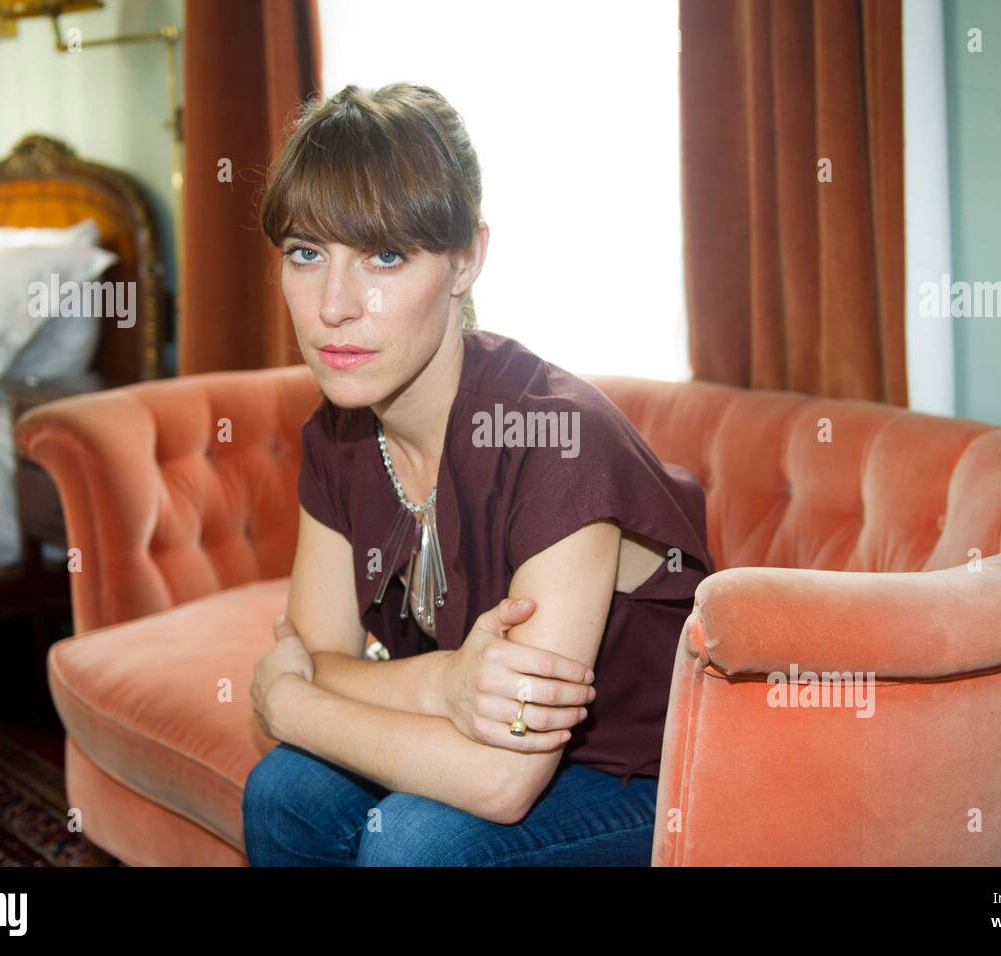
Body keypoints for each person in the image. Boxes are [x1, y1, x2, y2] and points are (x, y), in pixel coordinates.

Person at [242, 82, 714, 866]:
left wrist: (286, 704)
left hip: (648, 774)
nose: (333, 305)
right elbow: (324, 652)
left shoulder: (557, 439)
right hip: (483, 736)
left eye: (385, 256)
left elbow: (500, 780)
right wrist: (441, 687)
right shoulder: (339, 432)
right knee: (283, 794)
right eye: (306, 253)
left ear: (466, 261)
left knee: (417, 847)